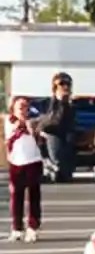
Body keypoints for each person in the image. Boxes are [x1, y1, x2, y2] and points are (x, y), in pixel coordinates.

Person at [6, 96, 43, 242]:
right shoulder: (10, 123)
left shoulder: (32, 122)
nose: (23, 110)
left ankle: (33, 227)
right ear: (13, 109)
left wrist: (32, 128)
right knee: (17, 196)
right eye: (20, 107)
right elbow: (10, 138)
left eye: (25, 107)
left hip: (33, 161)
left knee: (34, 196)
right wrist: (20, 127)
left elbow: (38, 136)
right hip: (16, 162)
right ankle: (17, 228)